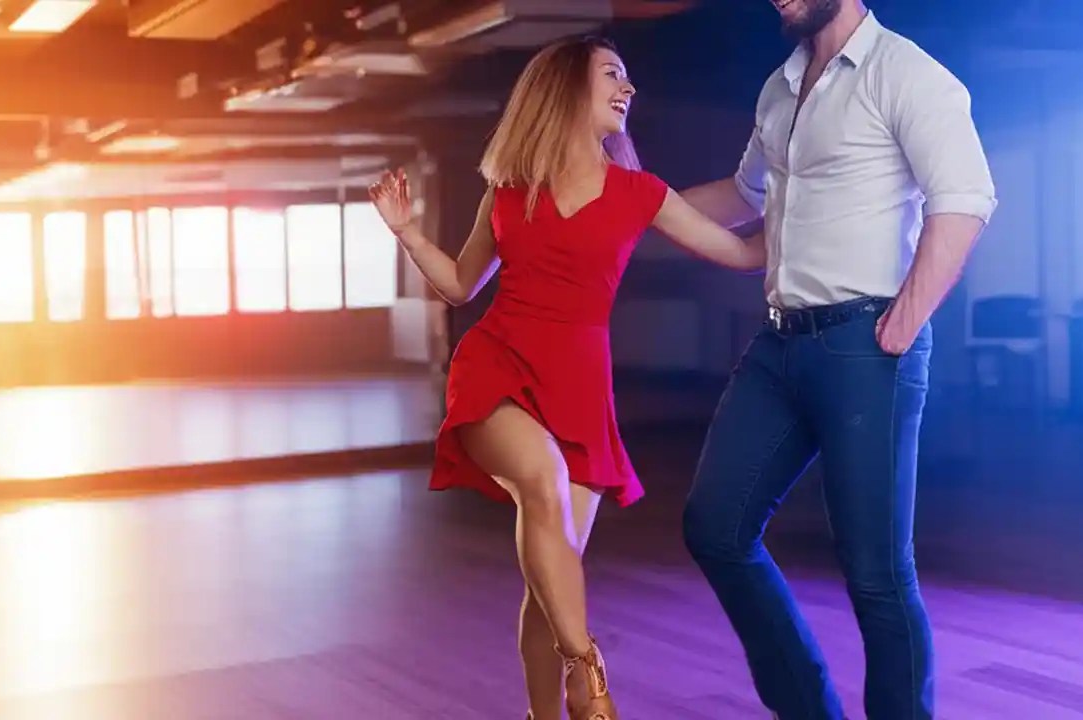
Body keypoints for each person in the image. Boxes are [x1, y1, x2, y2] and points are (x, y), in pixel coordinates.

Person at [368, 35, 765, 720]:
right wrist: (407, 232)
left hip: (579, 388)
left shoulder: (640, 193)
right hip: (498, 368)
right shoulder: (511, 188)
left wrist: (816, 212)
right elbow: (462, 285)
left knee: (552, 576)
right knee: (544, 486)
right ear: (564, 88)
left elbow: (739, 252)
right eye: (613, 72)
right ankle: (590, 672)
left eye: (630, 77)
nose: (628, 88)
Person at [678, 1, 996, 718]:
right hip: (777, 344)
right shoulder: (779, 87)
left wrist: (901, 326)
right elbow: (742, 195)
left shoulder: (906, 73)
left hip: (866, 345)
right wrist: (636, 204)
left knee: (878, 576)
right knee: (716, 529)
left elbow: (966, 199)